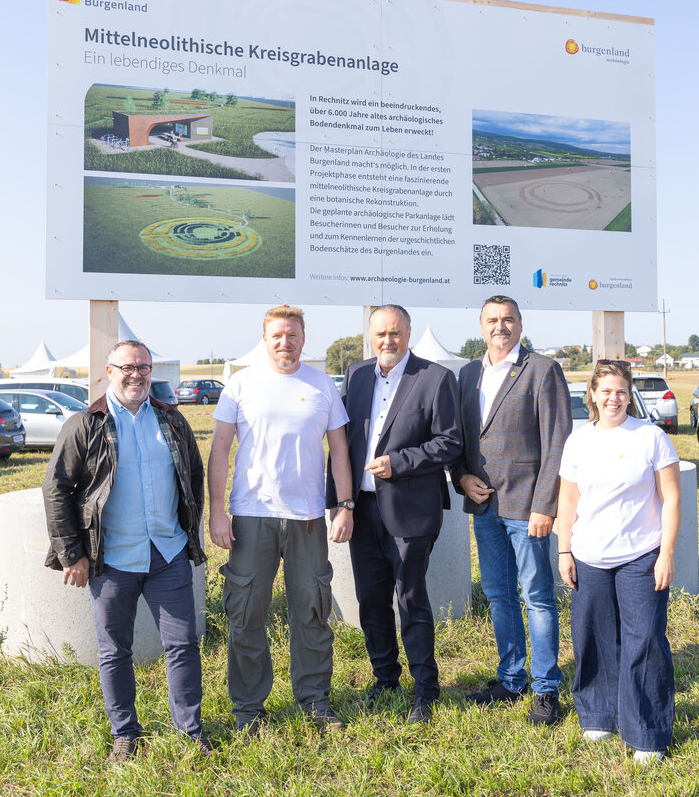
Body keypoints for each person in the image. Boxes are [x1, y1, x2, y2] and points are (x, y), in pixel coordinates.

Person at [42, 340, 208, 763]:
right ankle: (125, 732)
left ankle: (190, 730)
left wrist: (189, 532)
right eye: (128, 367)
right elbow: (57, 487)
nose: (137, 375)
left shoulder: (171, 420)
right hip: (110, 557)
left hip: (166, 552)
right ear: (109, 370)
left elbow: (192, 475)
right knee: (114, 650)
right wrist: (71, 553)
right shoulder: (86, 423)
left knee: (183, 644)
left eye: (144, 368)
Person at [208, 304, 355, 732]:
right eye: (276, 335)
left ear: (303, 339)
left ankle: (314, 700)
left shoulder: (322, 384)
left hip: (308, 517)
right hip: (252, 516)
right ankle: (249, 709)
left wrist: (344, 505)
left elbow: (340, 451)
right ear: (266, 338)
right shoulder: (241, 384)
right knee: (246, 613)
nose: (284, 342)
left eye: (292, 335)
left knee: (312, 610)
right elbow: (220, 450)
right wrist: (218, 512)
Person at [337, 304, 462, 724]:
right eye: (380, 334)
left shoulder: (435, 377)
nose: (387, 341)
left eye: (395, 333)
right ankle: (385, 678)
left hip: (410, 511)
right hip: (363, 510)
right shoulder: (355, 376)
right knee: (371, 602)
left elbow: (449, 442)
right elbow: (343, 441)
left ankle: (425, 690)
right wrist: (340, 502)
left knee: (410, 599)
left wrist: (399, 462)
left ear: (408, 333)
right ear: (369, 336)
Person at [453, 295, 572, 726]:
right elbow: (460, 440)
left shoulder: (542, 370)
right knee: (498, 595)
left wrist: (546, 506)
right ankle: (510, 679)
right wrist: (462, 477)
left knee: (537, 597)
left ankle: (545, 689)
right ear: (480, 325)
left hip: (528, 509)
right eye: (491, 320)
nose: (499, 326)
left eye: (507, 319)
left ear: (520, 324)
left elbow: (557, 443)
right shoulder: (468, 373)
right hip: (484, 505)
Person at [556, 359, 681, 764]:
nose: (614, 398)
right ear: (592, 393)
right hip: (589, 556)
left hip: (641, 556)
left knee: (644, 639)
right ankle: (599, 714)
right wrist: (565, 549)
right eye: (606, 391)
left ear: (630, 396)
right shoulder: (578, 440)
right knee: (592, 636)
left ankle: (647, 731)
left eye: (621, 392)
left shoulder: (651, 438)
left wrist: (666, 554)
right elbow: (568, 500)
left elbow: (672, 499)